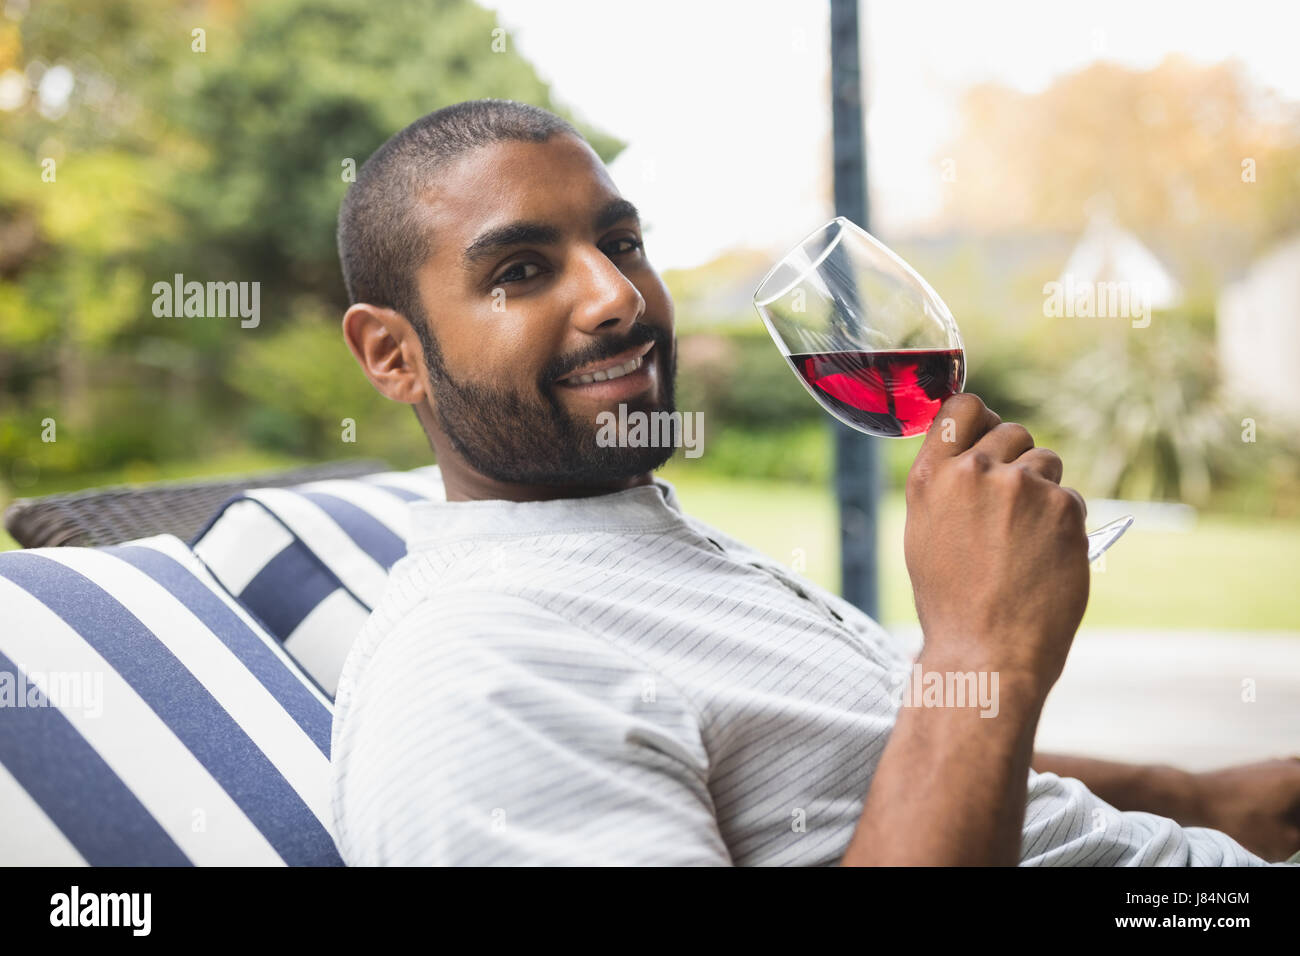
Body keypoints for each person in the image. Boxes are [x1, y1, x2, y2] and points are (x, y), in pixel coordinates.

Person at [330, 98, 1300, 866]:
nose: (618, 295)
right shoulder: (476, 674)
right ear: (391, 353)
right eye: (524, 267)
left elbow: (853, 761)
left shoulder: (609, 544)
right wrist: (983, 647)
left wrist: (1194, 795)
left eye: (621, 244)